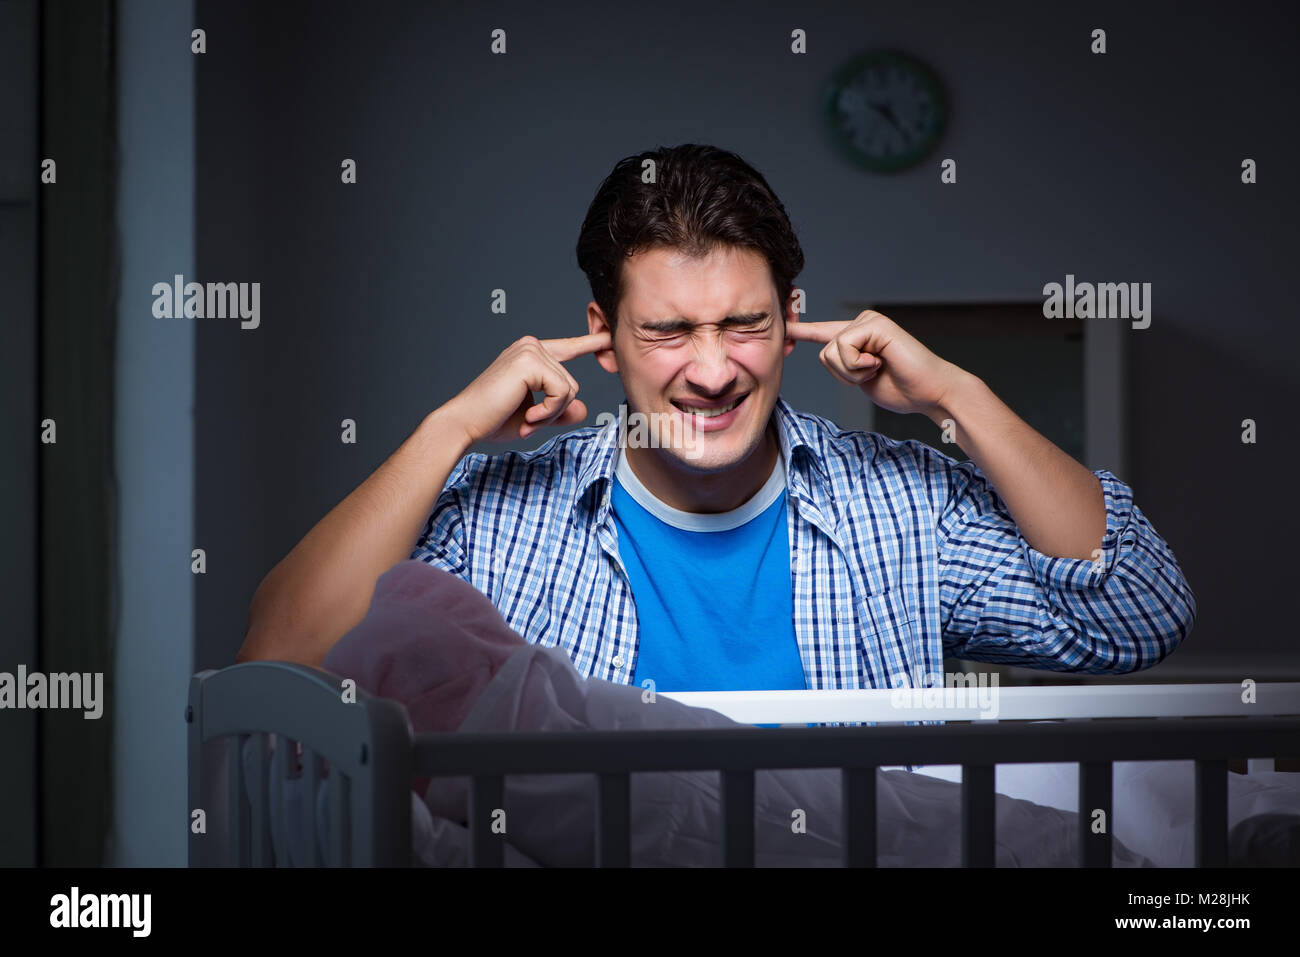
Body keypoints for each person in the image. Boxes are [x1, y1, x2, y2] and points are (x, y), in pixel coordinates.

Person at [237, 143, 1196, 697]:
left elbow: (1140, 610)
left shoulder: (902, 507)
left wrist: (959, 395)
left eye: (745, 324)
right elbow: (280, 662)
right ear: (602, 339)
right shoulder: (502, 517)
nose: (711, 370)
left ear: (789, 327)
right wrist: (447, 427)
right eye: (667, 331)